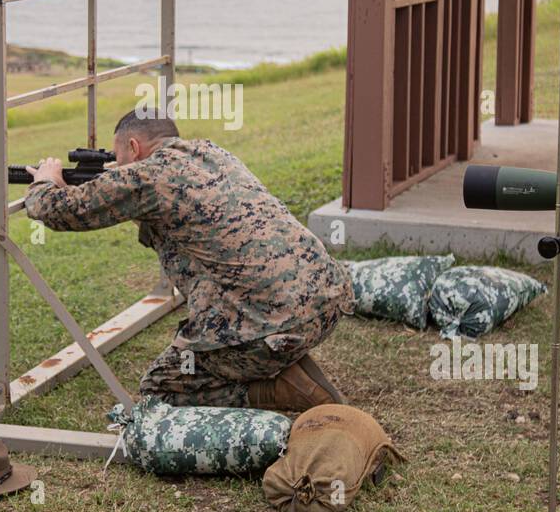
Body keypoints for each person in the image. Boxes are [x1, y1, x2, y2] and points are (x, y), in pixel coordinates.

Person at [24, 109, 353, 410]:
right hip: (326, 301)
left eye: (119, 155)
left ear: (134, 147)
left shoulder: (149, 175)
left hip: (274, 324)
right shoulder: (211, 153)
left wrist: (45, 180)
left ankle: (281, 390)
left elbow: (54, 210)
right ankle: (282, 362)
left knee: (161, 390)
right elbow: (180, 223)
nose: (119, 164)